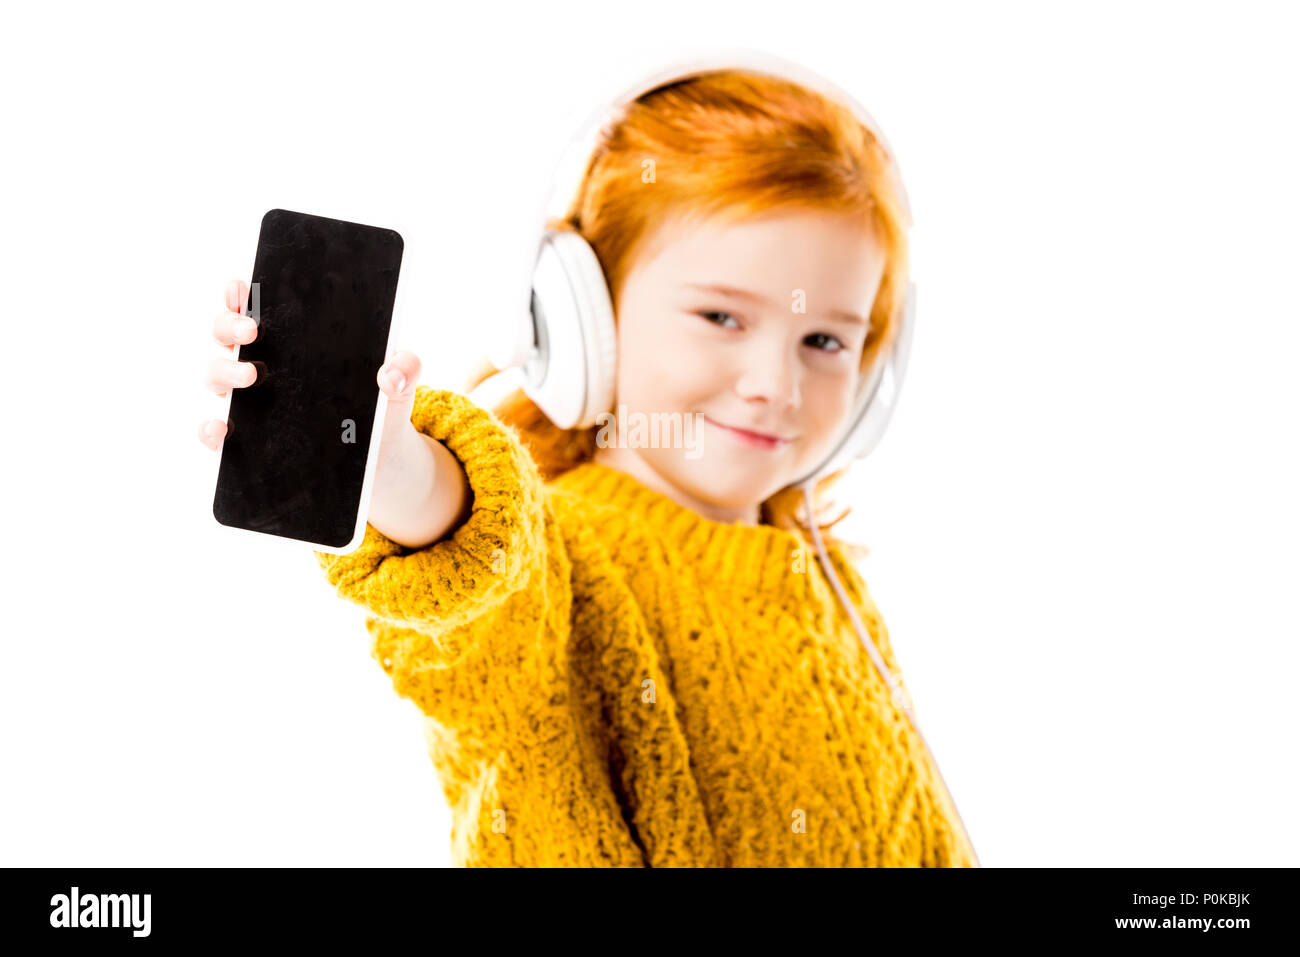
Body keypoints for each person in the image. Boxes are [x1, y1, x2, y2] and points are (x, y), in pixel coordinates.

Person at [199, 66, 977, 868]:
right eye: (721, 316)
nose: (776, 386)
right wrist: (393, 462)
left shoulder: (830, 586)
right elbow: (482, 575)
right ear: (581, 315)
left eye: (826, 341)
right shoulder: (563, 557)